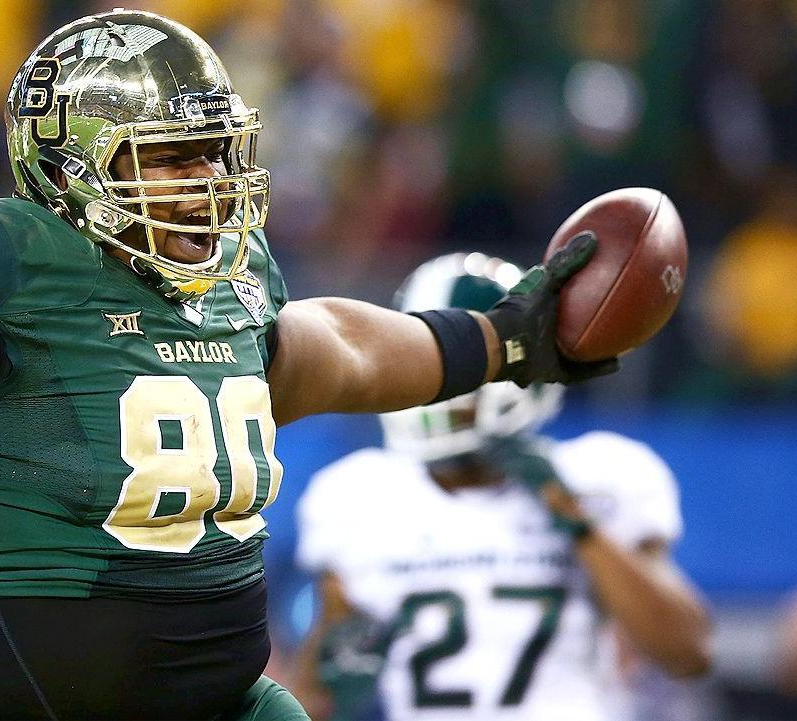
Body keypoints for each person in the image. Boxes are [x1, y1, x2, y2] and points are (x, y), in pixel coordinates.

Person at [0, 10, 615, 721]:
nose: (209, 184)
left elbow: (345, 348)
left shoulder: (235, 291)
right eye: (173, 157)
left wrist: (510, 341)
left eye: (216, 153)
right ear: (74, 167)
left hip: (215, 704)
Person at [292, 252, 711, 721]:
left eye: (462, 374)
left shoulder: (599, 474)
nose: (443, 393)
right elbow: (314, 692)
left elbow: (688, 652)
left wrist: (575, 518)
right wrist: (338, 667)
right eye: (434, 371)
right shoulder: (357, 496)